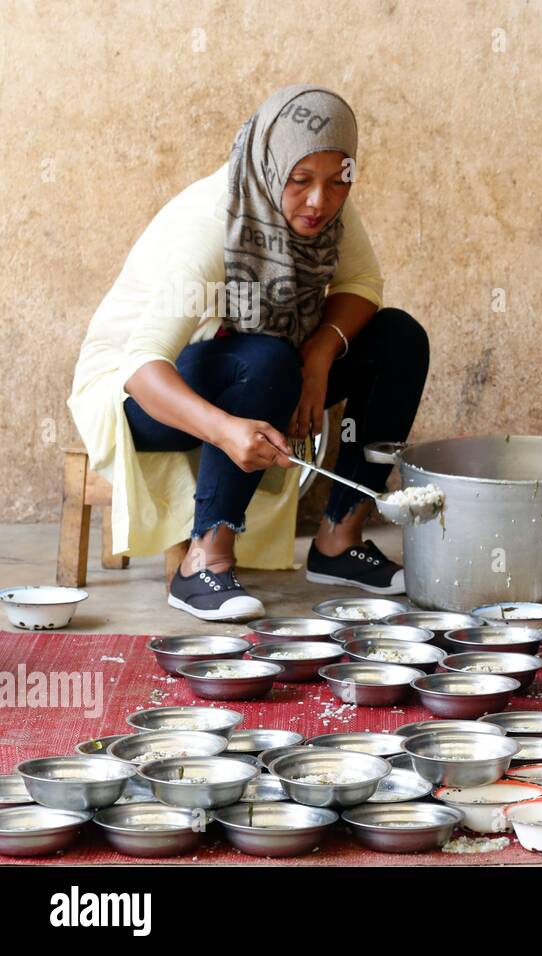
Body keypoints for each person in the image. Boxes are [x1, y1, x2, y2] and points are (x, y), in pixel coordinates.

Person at [67, 85, 429, 622]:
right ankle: (203, 563)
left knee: (398, 336)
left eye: (338, 182)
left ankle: (338, 541)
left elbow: (362, 283)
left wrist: (320, 357)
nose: (318, 202)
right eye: (300, 181)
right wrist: (224, 430)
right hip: (139, 397)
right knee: (263, 358)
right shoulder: (213, 224)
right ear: (269, 164)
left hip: (266, 370)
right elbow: (142, 366)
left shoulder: (327, 213)